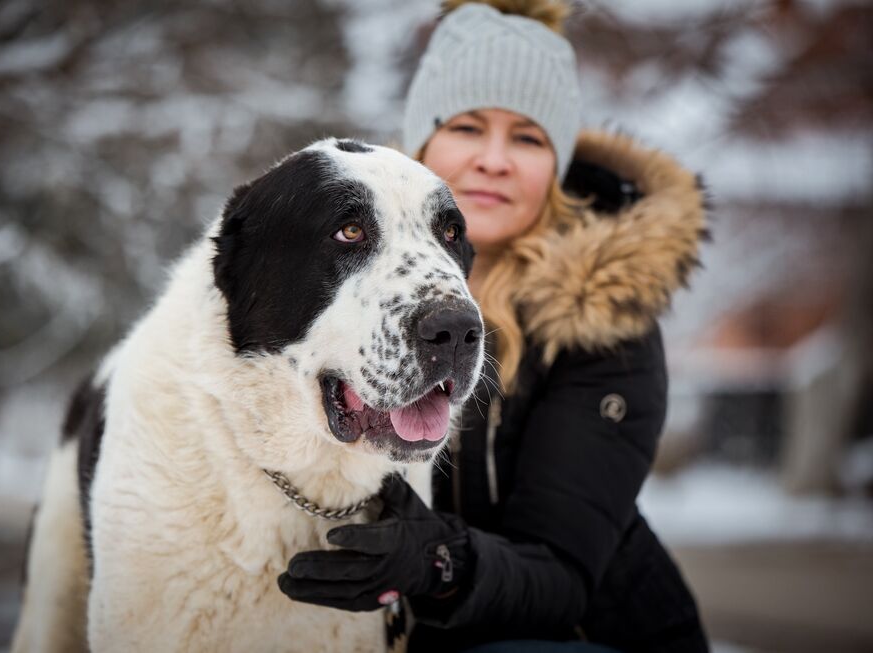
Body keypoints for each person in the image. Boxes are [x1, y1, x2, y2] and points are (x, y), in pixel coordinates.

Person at [278, 1, 710, 651]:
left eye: (528, 138)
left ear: (557, 166)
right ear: (422, 144)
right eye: (468, 127)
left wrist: (438, 562)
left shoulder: (605, 321)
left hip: (584, 634)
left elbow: (560, 572)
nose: (494, 159)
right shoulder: (344, 290)